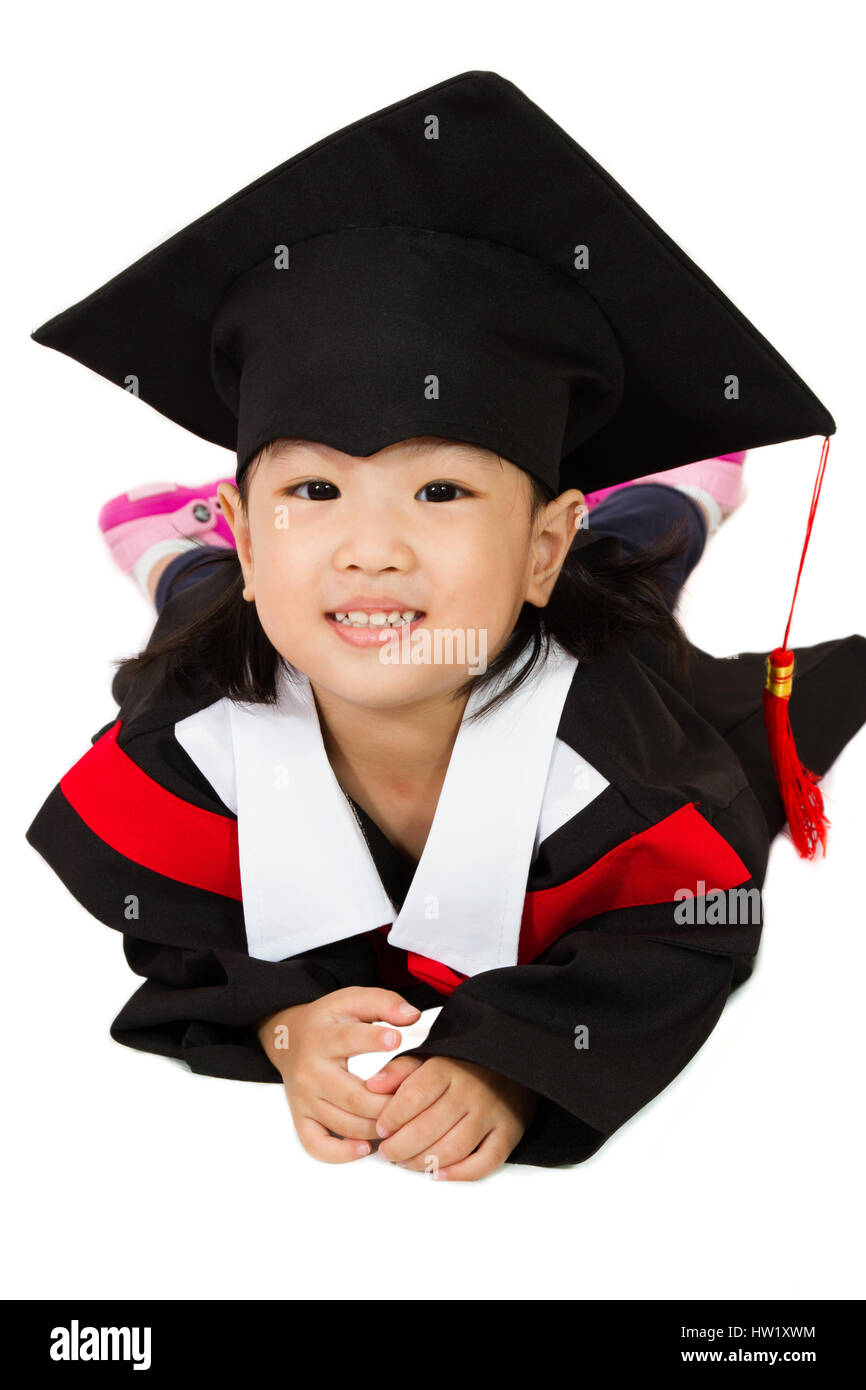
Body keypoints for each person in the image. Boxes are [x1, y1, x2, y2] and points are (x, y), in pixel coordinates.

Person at [24, 71, 866, 1177]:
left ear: (536, 545)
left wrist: (517, 1058)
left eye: (440, 492)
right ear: (245, 516)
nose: (372, 541)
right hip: (260, 619)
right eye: (313, 489)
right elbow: (176, 928)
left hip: (566, 617)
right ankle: (178, 550)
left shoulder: (617, 758)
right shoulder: (188, 736)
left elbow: (671, 933)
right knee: (210, 617)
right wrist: (277, 1022)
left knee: (630, 583)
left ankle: (670, 490)